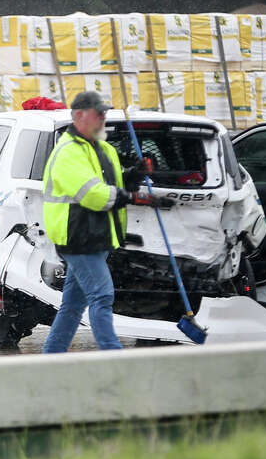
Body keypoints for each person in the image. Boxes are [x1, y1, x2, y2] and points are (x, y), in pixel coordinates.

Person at [40, 91, 171, 353]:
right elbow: (93, 195)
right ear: (79, 116)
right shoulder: (68, 152)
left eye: (105, 113)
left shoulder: (104, 148)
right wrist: (135, 197)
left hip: (97, 236)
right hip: (78, 238)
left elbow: (113, 183)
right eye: (98, 113)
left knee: (73, 305)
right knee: (101, 295)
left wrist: (133, 175)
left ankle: (51, 358)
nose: (104, 118)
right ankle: (113, 358)